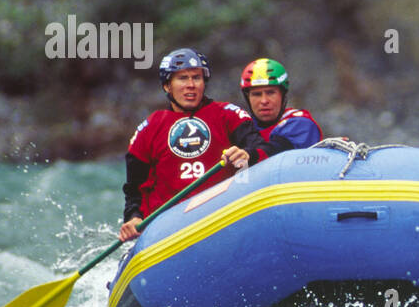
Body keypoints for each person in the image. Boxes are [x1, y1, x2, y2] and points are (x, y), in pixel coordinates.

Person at [119, 48, 271, 241]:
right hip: (169, 230)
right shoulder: (148, 129)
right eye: (182, 78)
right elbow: (133, 190)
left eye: (196, 78)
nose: (191, 85)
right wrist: (133, 218)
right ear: (167, 86)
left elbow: (263, 149)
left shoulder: (229, 115)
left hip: (223, 217)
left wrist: (248, 155)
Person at [240, 58, 324, 153]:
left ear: (282, 95)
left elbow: (274, 153)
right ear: (248, 98)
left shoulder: (301, 124)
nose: (264, 101)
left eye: (270, 93)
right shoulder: (242, 126)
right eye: (257, 94)